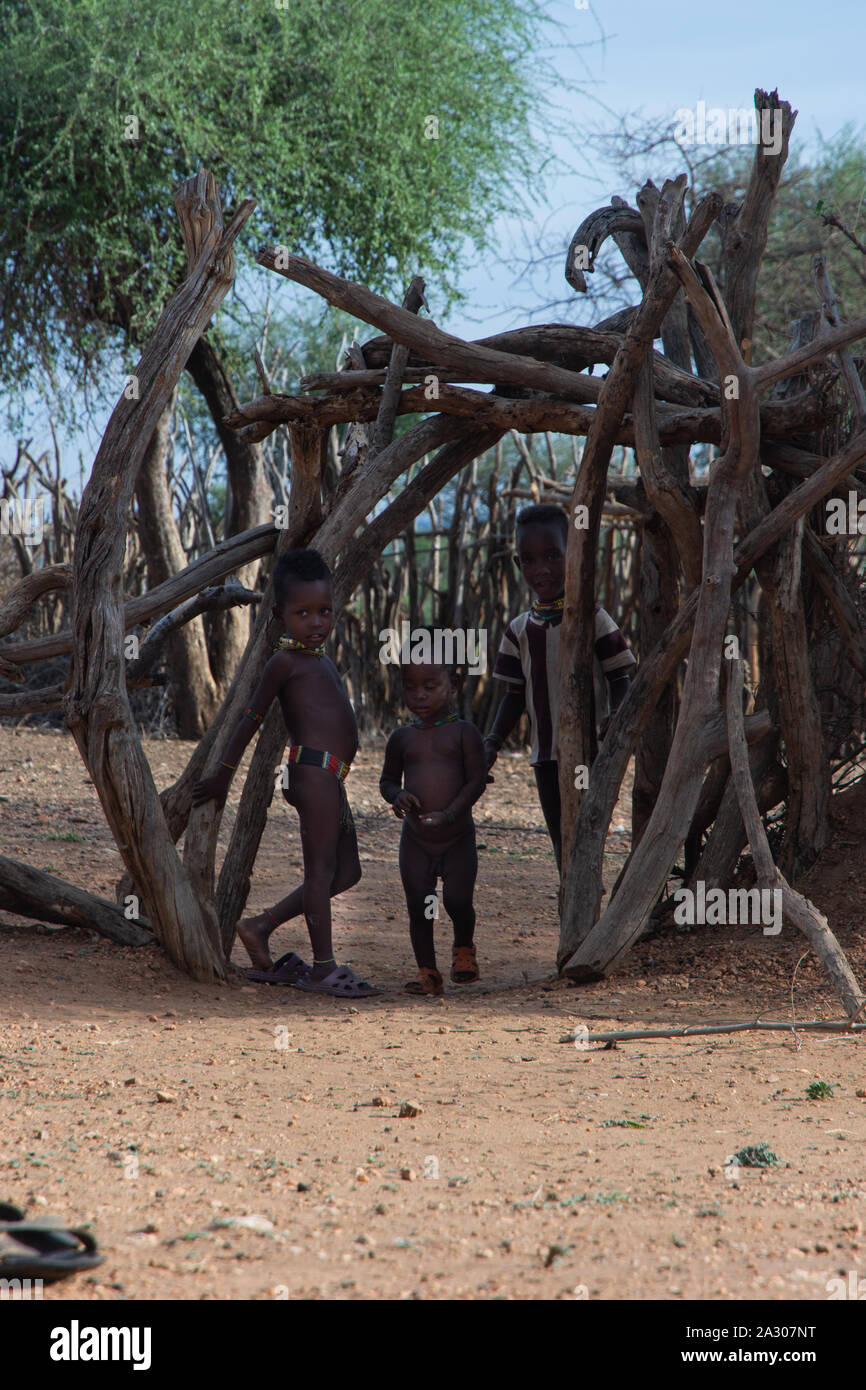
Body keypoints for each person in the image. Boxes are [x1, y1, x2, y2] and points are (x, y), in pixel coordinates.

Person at [192, 548, 377, 998]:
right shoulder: (285, 663)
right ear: (279, 615)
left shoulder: (321, 660)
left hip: (332, 777)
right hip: (311, 773)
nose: (317, 622)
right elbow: (250, 720)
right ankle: (323, 967)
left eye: (324, 612)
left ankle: (260, 925)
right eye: (304, 613)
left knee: (346, 872)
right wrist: (223, 776)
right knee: (320, 871)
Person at [484, 504, 636, 871]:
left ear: (573, 553)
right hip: (544, 759)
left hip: (590, 753)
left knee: (586, 829)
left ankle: (587, 905)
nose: (543, 569)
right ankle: (571, 902)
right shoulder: (519, 631)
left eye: (553, 555)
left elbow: (620, 676)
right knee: (560, 837)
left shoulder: (592, 619)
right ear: (519, 566)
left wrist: (617, 718)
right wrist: (491, 742)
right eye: (530, 560)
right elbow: (514, 697)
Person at [379, 643, 488, 996]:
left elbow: (475, 780)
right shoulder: (402, 738)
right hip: (416, 840)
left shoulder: (464, 733)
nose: (419, 695)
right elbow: (388, 780)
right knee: (420, 905)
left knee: (457, 900)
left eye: (430, 686)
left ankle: (463, 949)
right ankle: (428, 972)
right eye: (411, 687)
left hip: (457, 836)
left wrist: (451, 813)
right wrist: (397, 796)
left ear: (453, 684)